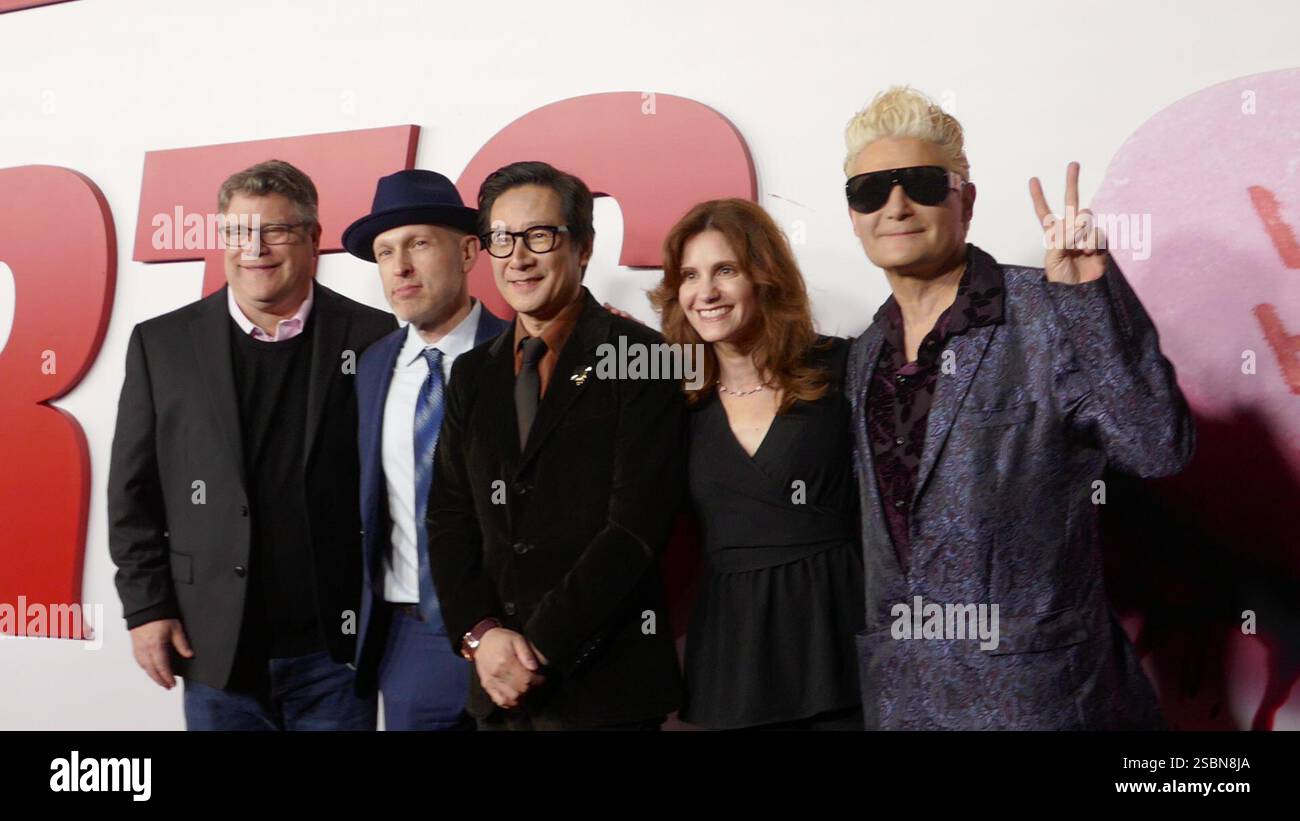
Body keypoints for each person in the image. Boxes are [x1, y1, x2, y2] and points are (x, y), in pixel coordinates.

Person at [842, 87, 1194, 729]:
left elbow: (1156, 447)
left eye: (920, 183)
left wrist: (1090, 300)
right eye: (869, 190)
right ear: (853, 214)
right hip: (907, 701)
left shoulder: (1049, 308)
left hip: (1039, 698)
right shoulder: (867, 352)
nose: (894, 205)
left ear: (965, 200)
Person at [108, 159, 396, 730]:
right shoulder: (161, 345)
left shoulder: (375, 338)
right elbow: (131, 495)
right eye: (239, 232)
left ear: (314, 239)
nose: (255, 248)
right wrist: (146, 607)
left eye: (278, 230)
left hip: (333, 654)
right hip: (214, 650)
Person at [427, 160, 685, 730]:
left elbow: (635, 527)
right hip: (496, 692)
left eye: (539, 236)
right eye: (502, 239)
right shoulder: (472, 373)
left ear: (584, 247)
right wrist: (482, 636)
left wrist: (533, 648)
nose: (518, 257)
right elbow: (449, 518)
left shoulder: (643, 357)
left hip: (604, 689)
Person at [650, 198, 864, 730]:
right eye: (691, 276)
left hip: (839, 638)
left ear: (764, 277)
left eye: (725, 270)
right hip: (734, 655)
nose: (706, 293)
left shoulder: (843, 368)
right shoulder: (673, 401)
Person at [342, 169, 511, 730]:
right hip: (408, 636)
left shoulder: (524, 356)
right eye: (385, 252)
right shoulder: (371, 366)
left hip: (515, 631)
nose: (400, 267)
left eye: (417, 243)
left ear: (468, 252)